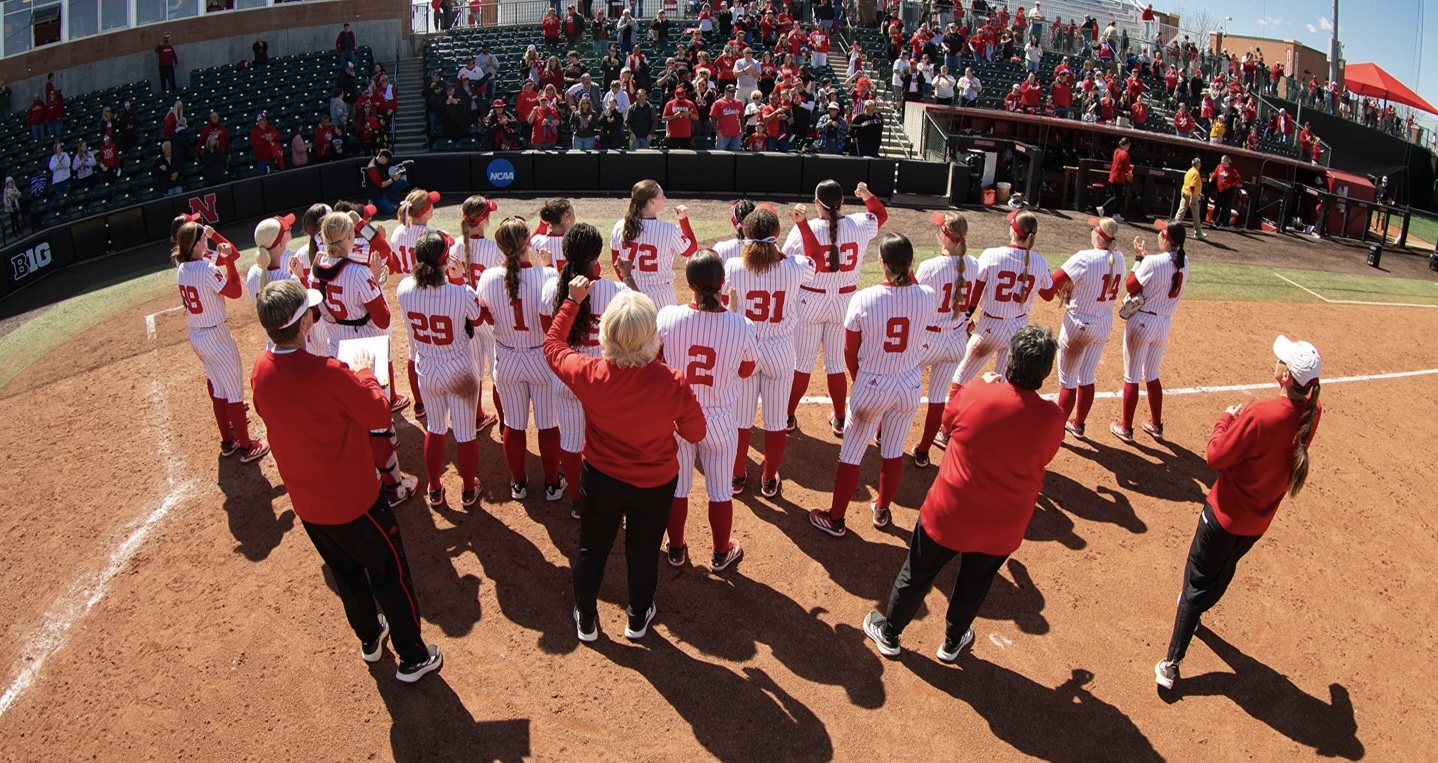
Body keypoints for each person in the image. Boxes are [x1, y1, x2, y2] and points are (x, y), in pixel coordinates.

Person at [250, 279, 441, 683]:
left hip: (308, 502)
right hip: (353, 500)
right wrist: (367, 376)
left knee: (347, 573)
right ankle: (413, 656)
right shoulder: (329, 372)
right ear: (303, 324)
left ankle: (371, 639)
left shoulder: (261, 369)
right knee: (390, 573)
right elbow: (376, 413)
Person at [863, 325, 1064, 660]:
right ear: (1044, 373)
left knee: (918, 572)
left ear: (1010, 360)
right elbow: (1043, 455)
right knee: (975, 582)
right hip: (1003, 525)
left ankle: (890, 633)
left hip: (949, 512)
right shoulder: (1053, 418)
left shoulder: (976, 393)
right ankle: (954, 641)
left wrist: (980, 387)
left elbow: (948, 423)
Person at [544, 272, 706, 642]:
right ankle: (636, 617)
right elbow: (696, 433)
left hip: (600, 478)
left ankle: (586, 618)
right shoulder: (671, 381)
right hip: (654, 483)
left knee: (592, 548)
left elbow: (553, 345)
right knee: (643, 551)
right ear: (652, 337)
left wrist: (571, 301)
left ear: (606, 336)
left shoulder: (589, 372)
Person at [1154, 335, 1323, 689]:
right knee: (1223, 572)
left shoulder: (1261, 414)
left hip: (1223, 515)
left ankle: (1171, 663)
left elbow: (1215, 457)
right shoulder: (1312, 412)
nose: (1276, 362)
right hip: (1257, 522)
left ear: (1286, 377)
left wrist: (1225, 419)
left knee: (1195, 582)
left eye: (1282, 361)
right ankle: (1195, 613)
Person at [807, 231, 938, 537]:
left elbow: (849, 351)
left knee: (851, 453)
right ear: (911, 263)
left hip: (873, 383)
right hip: (908, 385)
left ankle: (836, 519)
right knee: (893, 450)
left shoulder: (864, 298)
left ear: (882, 263)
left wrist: (860, 380)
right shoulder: (928, 295)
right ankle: (882, 510)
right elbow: (915, 291)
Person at [658, 252, 756, 570]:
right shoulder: (741, 324)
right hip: (720, 419)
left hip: (677, 417)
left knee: (677, 487)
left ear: (690, 286)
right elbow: (746, 370)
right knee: (719, 490)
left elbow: (657, 364)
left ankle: (675, 549)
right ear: (723, 283)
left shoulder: (668, 317)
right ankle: (719, 552)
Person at [782, 180, 889, 438]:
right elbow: (881, 215)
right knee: (835, 365)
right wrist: (866, 194)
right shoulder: (860, 224)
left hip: (810, 301)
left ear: (817, 203)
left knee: (802, 363)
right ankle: (840, 418)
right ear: (841, 201)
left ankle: (787, 415)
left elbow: (783, 258)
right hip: (844, 303)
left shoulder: (803, 230)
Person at [725, 205, 814, 498]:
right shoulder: (793, 267)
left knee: (741, 421)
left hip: (745, 349)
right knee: (776, 423)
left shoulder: (734, 267)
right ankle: (769, 478)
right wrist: (799, 229)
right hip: (779, 350)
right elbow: (815, 260)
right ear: (777, 235)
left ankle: (737, 476)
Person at [475, 217, 565, 501]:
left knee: (513, 425)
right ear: (529, 243)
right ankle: (552, 483)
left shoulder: (488, 277)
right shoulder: (548, 276)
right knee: (548, 424)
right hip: (541, 358)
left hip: (508, 358)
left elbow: (484, 315)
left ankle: (518, 484)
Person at [396, 232, 486, 507]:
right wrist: (460, 281)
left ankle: (434, 488)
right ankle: (469, 490)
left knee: (435, 429)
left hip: (427, 368)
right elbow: (478, 318)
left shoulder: (403, 289)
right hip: (458, 369)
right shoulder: (460, 292)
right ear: (446, 260)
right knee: (465, 433)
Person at [172, 221, 269, 463]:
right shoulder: (205, 269)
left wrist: (222, 250)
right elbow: (235, 291)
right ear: (195, 245)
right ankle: (247, 447)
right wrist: (230, 263)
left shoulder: (182, 267)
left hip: (197, 333)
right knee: (234, 392)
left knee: (218, 389)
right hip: (216, 335)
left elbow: (229, 253)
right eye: (202, 239)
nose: (205, 240)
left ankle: (228, 441)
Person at [1039, 216, 1126, 440]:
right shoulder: (1120, 258)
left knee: (1067, 381)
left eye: (1093, 229)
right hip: (1103, 324)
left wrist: (1042, 276)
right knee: (1087, 377)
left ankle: (1056, 430)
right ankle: (1078, 424)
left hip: (1078, 325)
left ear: (1098, 234)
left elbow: (1049, 289)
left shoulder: (1084, 258)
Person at [951, 211, 1052, 385]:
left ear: (1013, 230)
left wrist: (966, 317)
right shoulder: (1040, 261)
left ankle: (955, 413)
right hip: (1018, 328)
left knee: (960, 377)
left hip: (990, 328)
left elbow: (976, 291)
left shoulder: (992, 255)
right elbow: (1048, 293)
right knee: (1005, 383)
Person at [1112, 220, 1189, 443]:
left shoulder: (1153, 262)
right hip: (1163, 324)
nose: (1158, 235)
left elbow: (1130, 285)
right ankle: (1156, 424)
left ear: (1166, 239)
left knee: (1132, 376)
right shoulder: (1185, 261)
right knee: (1152, 375)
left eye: (1160, 233)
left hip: (1143, 322)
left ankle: (1126, 427)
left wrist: (1139, 260)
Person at [910, 211, 978, 467]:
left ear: (945, 235)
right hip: (956, 339)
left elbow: (915, 299)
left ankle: (884, 432)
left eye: (939, 228)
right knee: (938, 397)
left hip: (929, 339)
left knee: (903, 386)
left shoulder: (930, 266)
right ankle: (923, 450)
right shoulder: (974, 264)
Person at [447, 195, 504, 434]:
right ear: (485, 220)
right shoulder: (495, 248)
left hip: (466, 317)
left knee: (473, 371)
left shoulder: (453, 247)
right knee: (498, 374)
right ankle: (506, 423)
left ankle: (478, 417)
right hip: (490, 317)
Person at [611, 180, 697, 308]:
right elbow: (691, 250)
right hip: (661, 297)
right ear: (652, 201)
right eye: (661, 196)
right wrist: (683, 219)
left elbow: (617, 263)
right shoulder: (669, 230)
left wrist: (629, 284)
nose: (665, 199)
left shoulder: (619, 226)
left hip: (629, 296)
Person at [364, 149, 409, 214]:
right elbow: (380, 185)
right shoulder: (372, 168)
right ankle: (374, 204)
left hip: (383, 190)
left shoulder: (381, 164)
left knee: (401, 183)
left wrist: (395, 176)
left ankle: (387, 201)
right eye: (387, 160)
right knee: (389, 210)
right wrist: (393, 179)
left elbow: (386, 178)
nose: (387, 162)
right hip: (376, 193)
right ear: (383, 157)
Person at [1097, 136, 1131, 221]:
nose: (1128, 148)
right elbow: (1126, 166)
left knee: (1117, 196)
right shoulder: (1124, 153)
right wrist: (1131, 168)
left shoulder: (1116, 151)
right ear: (1126, 145)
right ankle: (1102, 208)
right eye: (1128, 146)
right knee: (1117, 196)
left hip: (1113, 175)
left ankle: (1116, 214)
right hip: (1119, 177)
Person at [1172, 157, 1207, 237]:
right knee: (1196, 215)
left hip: (1185, 193)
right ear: (1197, 164)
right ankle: (1198, 233)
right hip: (1191, 195)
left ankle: (1173, 229)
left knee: (1181, 212)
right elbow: (1192, 187)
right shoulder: (1196, 173)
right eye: (1200, 163)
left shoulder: (1189, 171)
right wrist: (1192, 198)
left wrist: (1199, 194)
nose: (1201, 164)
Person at [1208, 155, 1242, 230]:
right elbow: (1215, 174)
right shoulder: (1219, 167)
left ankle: (1221, 222)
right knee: (1217, 205)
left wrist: (1232, 185)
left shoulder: (1232, 170)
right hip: (1219, 189)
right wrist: (1211, 178)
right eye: (1221, 160)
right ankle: (1213, 221)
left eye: (1223, 160)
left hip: (1227, 190)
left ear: (1227, 161)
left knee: (1225, 207)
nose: (1221, 161)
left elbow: (1238, 178)